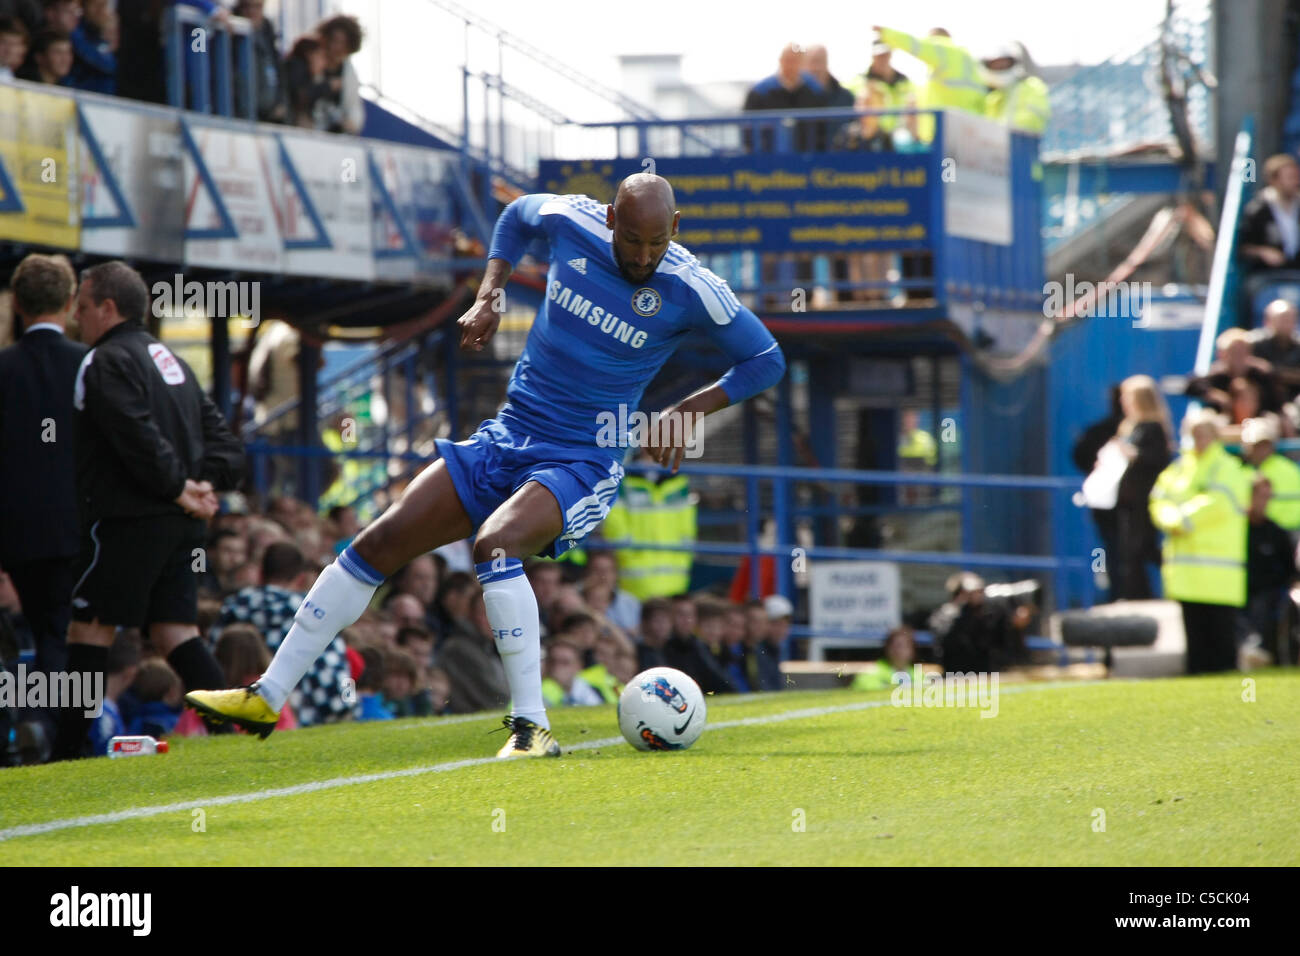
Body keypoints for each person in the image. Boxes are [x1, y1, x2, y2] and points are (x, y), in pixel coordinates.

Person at [188, 173, 785, 758]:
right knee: (381, 539)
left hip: (583, 458)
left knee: (495, 544)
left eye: (657, 241)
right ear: (610, 220)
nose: (644, 254)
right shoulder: (572, 220)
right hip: (507, 436)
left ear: (675, 228)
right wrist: (487, 299)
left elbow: (765, 358)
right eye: (633, 240)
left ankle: (531, 728)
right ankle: (265, 696)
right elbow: (517, 214)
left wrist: (688, 409)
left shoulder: (693, 286)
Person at [54, 261, 245, 760]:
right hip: (181, 526)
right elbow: (223, 440)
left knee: (90, 625)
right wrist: (204, 486)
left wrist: (180, 486)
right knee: (174, 630)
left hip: (126, 521)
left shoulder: (104, 362)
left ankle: (68, 754)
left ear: (108, 308)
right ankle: (227, 737)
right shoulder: (173, 362)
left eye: (83, 305)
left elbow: (133, 433)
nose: (76, 316)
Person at [0, 255, 86, 743]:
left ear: (16, 303)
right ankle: (60, 733)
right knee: (66, 632)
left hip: (19, 532)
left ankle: (40, 724)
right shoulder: (87, 366)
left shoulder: (4, 369)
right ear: (70, 302)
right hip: (78, 528)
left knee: (42, 626)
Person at [1149, 410, 1250, 674]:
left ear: (1215, 436)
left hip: (1219, 572)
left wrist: (1182, 519)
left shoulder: (1226, 467)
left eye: (1204, 435)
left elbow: (1219, 502)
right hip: (1186, 573)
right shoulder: (1179, 468)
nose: (1199, 441)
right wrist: (1170, 519)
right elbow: (1159, 499)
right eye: (1194, 435)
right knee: (1195, 641)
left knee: (1221, 639)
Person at [212, 541, 353, 727]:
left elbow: (211, 659)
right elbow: (337, 677)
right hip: (306, 718)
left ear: (261, 574)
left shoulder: (233, 606)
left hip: (231, 712)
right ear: (302, 579)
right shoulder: (314, 611)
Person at [600, 448, 697, 601]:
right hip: (636, 583)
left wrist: (682, 560)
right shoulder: (625, 479)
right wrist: (630, 557)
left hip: (675, 581)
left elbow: (687, 529)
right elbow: (615, 526)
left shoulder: (679, 481)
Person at [1109, 375, 1174, 600]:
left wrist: (1133, 454)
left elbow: (1159, 458)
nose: (1124, 401)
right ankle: (1137, 594)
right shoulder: (1130, 426)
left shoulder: (1153, 427)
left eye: (1128, 397)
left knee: (1143, 548)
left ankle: (1161, 586)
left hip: (1145, 497)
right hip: (1128, 498)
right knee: (1131, 550)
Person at [873, 25, 986, 144]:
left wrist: (886, 33)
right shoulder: (968, 62)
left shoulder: (943, 49)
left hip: (946, 136)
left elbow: (916, 45)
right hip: (970, 133)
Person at [742, 43, 827, 152]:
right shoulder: (761, 91)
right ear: (781, 60)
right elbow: (748, 128)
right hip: (769, 157)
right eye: (788, 60)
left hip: (806, 156)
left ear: (802, 63)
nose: (791, 65)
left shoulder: (814, 91)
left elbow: (822, 127)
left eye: (795, 60)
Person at [1185, 328, 1282, 415]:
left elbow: (1276, 402)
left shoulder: (1260, 373)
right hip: (1225, 421)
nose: (1239, 355)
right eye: (1233, 351)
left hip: (1259, 420)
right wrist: (1219, 396)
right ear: (1222, 354)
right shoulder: (1218, 374)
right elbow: (1191, 385)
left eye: (1243, 350)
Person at [1240, 413, 1300, 533]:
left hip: (1284, 532)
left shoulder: (1285, 468)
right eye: (1257, 446)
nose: (1262, 450)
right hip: (1266, 531)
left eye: (1265, 445)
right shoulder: (1244, 471)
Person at [981, 42, 1050, 134]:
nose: (1001, 69)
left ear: (1013, 64)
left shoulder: (1032, 86)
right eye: (996, 66)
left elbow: (1033, 120)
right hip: (996, 145)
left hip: (1022, 143)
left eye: (1004, 65)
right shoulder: (993, 98)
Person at [233, 0, 285, 122]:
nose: (252, 12)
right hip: (240, 116)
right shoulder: (228, 33)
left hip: (267, 116)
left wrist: (280, 102)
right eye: (247, 7)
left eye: (257, 7)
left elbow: (279, 69)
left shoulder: (267, 31)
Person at [315, 14, 363, 134]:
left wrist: (351, 123)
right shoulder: (312, 63)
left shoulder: (349, 73)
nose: (338, 48)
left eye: (344, 44)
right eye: (335, 41)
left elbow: (354, 108)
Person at [1249, 299, 1300, 402]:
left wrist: (1272, 371)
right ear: (1268, 321)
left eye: (1290, 319)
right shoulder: (1253, 343)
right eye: (1282, 319)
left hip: (1294, 400)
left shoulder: (1298, 345)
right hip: (1261, 398)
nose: (1287, 323)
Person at [68, 0, 116, 95]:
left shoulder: (104, 35)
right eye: (95, 5)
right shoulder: (74, 31)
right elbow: (109, 65)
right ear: (83, 7)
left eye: (104, 5)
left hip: (105, 103)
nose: (100, 10)